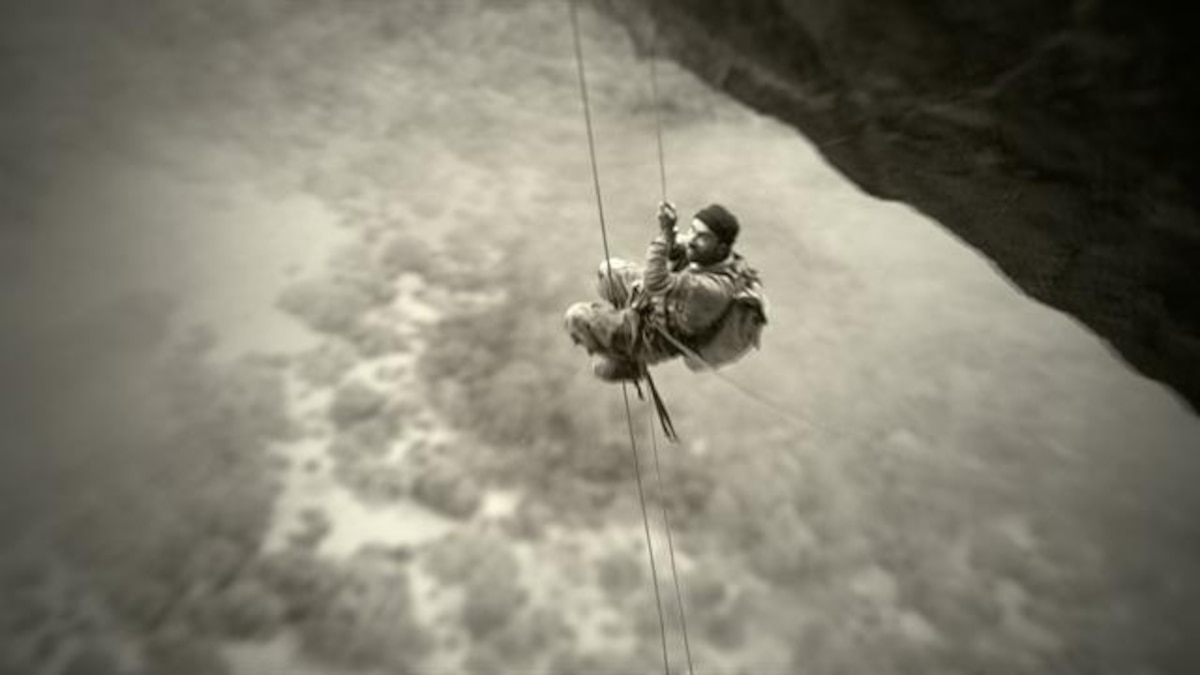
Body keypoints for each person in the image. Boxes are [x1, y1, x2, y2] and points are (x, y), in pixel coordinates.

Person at [564, 202, 767, 382]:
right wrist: (671, 237)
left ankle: (630, 362)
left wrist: (665, 235)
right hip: (657, 303)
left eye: (702, 237)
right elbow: (677, 250)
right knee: (607, 271)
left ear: (722, 248)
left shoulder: (711, 289)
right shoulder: (714, 256)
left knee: (576, 318)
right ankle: (616, 331)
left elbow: (655, 282)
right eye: (693, 230)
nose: (693, 240)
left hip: (652, 335)